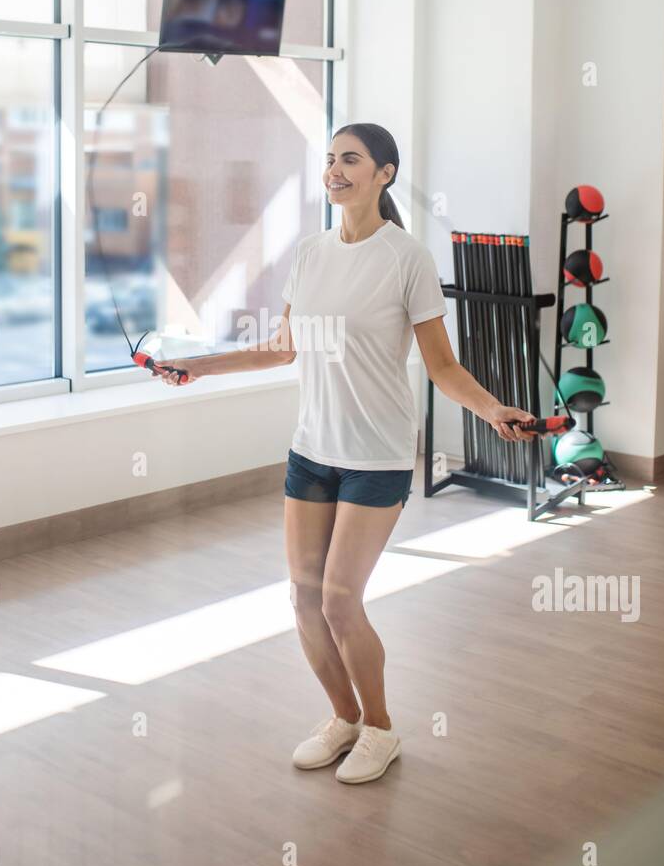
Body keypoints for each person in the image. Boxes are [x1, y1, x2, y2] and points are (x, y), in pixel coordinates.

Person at [151, 123, 535, 784]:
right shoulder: (310, 254)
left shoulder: (405, 257)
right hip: (312, 451)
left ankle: (382, 729)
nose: (335, 169)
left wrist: (492, 408)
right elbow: (282, 348)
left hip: (377, 455)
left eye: (350, 159)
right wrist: (198, 367)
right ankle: (343, 719)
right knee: (301, 598)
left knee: (338, 600)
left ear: (383, 174)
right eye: (329, 159)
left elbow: (441, 366)